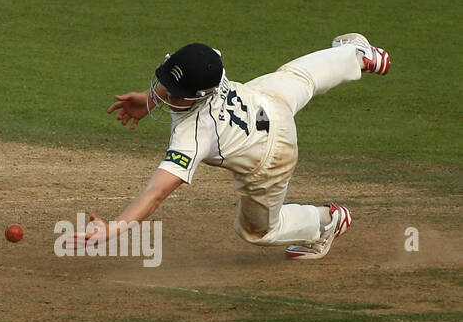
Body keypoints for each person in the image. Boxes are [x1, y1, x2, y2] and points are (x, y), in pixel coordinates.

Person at [68, 34, 390, 259]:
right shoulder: (211, 64)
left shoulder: (193, 135)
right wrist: (149, 100)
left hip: (271, 156)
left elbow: (156, 193)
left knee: (259, 232)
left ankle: (325, 221)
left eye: (175, 92)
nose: (167, 93)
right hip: (264, 101)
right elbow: (182, 79)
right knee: (298, 77)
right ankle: (358, 56)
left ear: (199, 97)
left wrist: (114, 227)